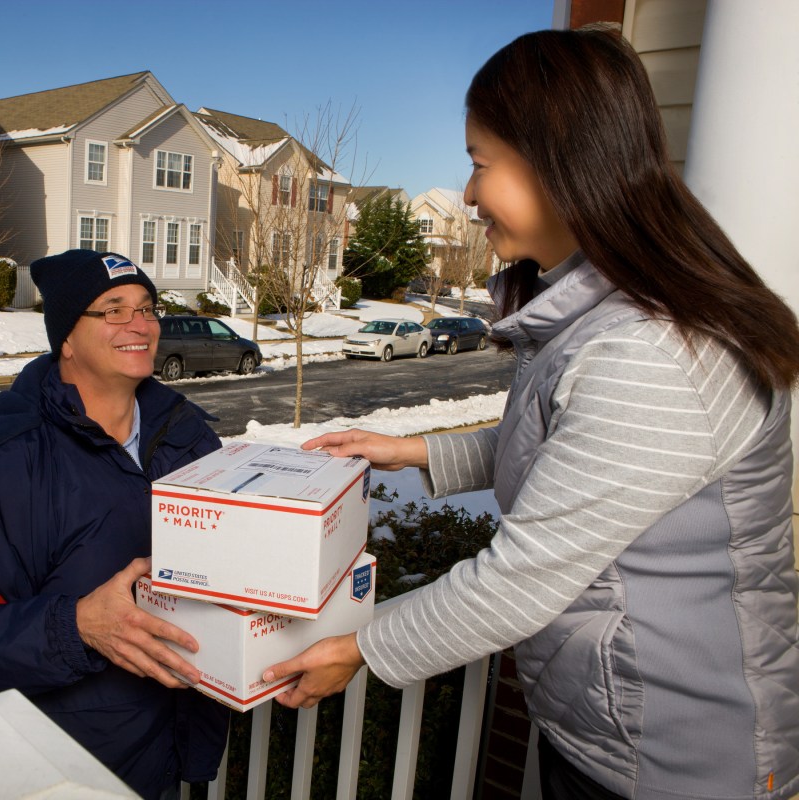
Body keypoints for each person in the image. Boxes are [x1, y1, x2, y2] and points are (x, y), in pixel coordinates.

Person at [263, 27, 799, 800]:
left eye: (481, 164)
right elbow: (571, 446)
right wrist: (414, 452)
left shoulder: (654, 350)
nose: (471, 194)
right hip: (609, 730)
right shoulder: (602, 311)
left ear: (561, 162)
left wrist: (361, 648)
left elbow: (520, 580)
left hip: (683, 761)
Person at [0, 249, 229, 800]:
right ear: (65, 337)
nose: (140, 324)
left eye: (147, 307)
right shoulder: (11, 464)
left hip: (173, 752)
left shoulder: (190, 440)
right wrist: (76, 626)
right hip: (66, 773)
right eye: (112, 309)